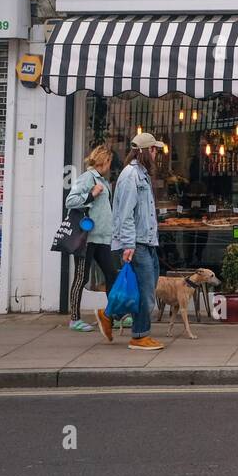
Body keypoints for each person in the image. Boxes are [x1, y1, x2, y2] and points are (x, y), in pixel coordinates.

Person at [98, 131, 166, 350]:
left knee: (142, 289)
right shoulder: (131, 176)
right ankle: (139, 336)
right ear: (146, 151)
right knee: (146, 293)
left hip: (145, 241)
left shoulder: (141, 174)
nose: (156, 153)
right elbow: (125, 213)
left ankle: (109, 315)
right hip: (136, 243)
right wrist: (128, 244)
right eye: (154, 149)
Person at [65, 145, 118, 332]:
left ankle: (113, 315)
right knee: (81, 277)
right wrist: (91, 194)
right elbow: (70, 201)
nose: (110, 166)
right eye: (110, 162)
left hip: (101, 237)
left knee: (112, 274)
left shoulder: (101, 179)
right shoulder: (87, 178)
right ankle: (74, 319)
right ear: (104, 161)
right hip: (86, 239)